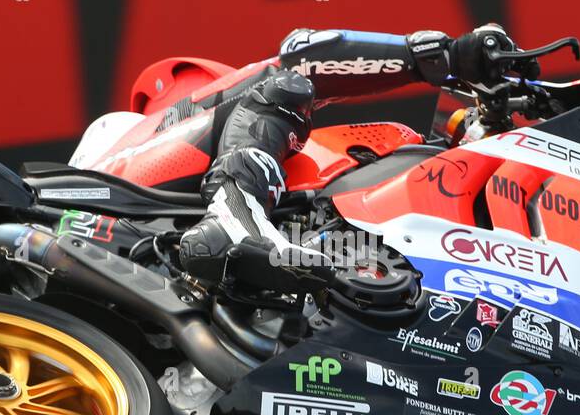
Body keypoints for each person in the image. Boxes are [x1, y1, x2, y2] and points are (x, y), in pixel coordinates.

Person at [177, 24, 522, 285]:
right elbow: (302, 53)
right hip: (149, 194)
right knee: (284, 88)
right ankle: (234, 217)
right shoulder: (182, 112)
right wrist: (442, 56)